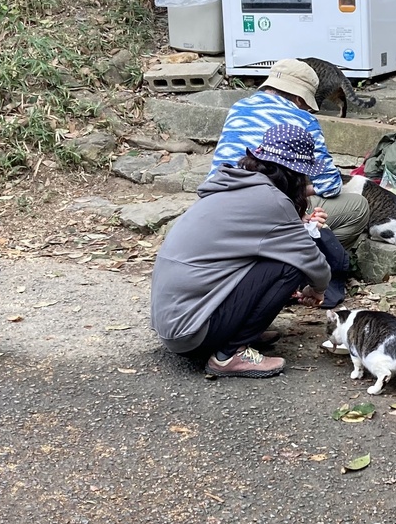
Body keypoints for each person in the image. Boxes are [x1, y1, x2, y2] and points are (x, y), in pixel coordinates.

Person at [151, 124, 331, 378]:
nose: (307, 183)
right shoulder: (272, 202)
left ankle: (236, 331)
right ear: (293, 174)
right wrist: (317, 289)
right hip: (191, 331)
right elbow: (314, 263)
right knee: (290, 266)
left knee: (273, 258)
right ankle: (229, 354)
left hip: (174, 323)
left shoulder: (232, 185)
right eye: (304, 176)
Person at [207, 58, 370, 249]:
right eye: (307, 105)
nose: (308, 109)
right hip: (262, 212)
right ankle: (311, 255)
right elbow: (330, 186)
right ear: (300, 99)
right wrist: (298, 190)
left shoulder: (238, 107)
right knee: (358, 207)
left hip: (214, 201)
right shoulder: (303, 119)